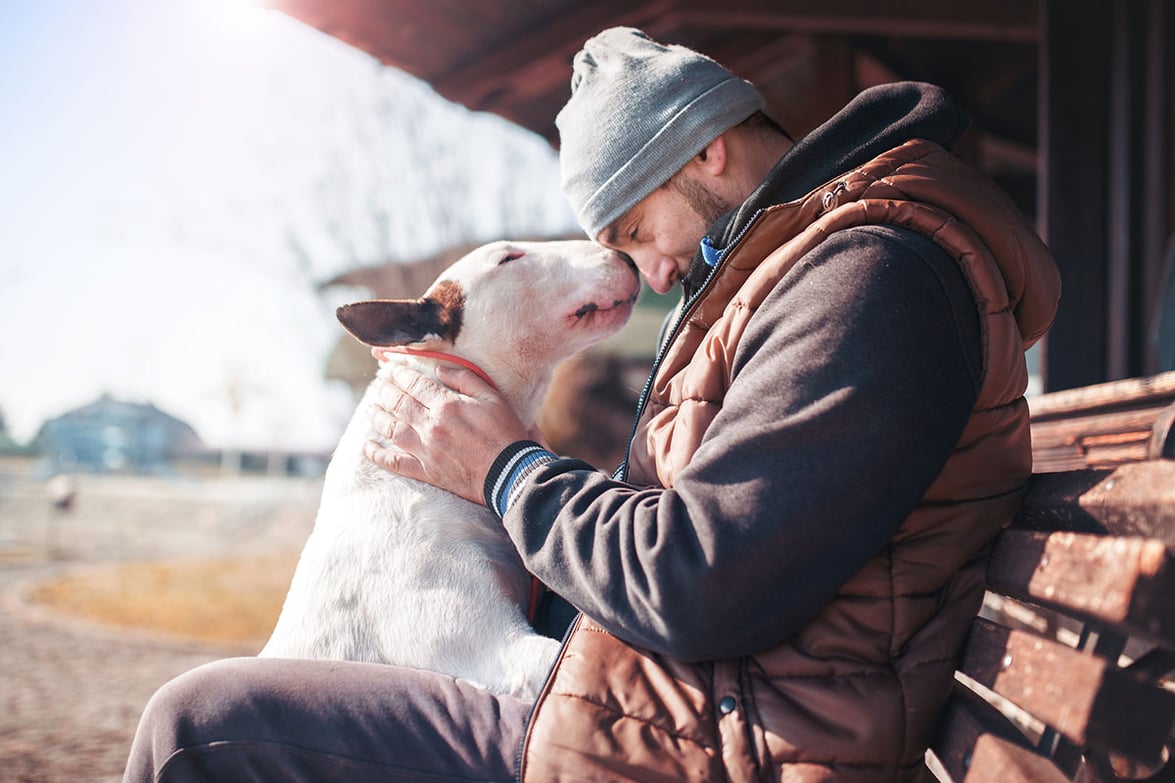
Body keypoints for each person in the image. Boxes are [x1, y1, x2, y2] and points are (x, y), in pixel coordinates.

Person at [124, 27, 1061, 783]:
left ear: (708, 148)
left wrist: (505, 468)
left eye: (635, 228)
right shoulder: (813, 274)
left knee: (198, 725)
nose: (648, 270)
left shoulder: (868, 280)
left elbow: (698, 580)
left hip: (716, 741)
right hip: (681, 699)